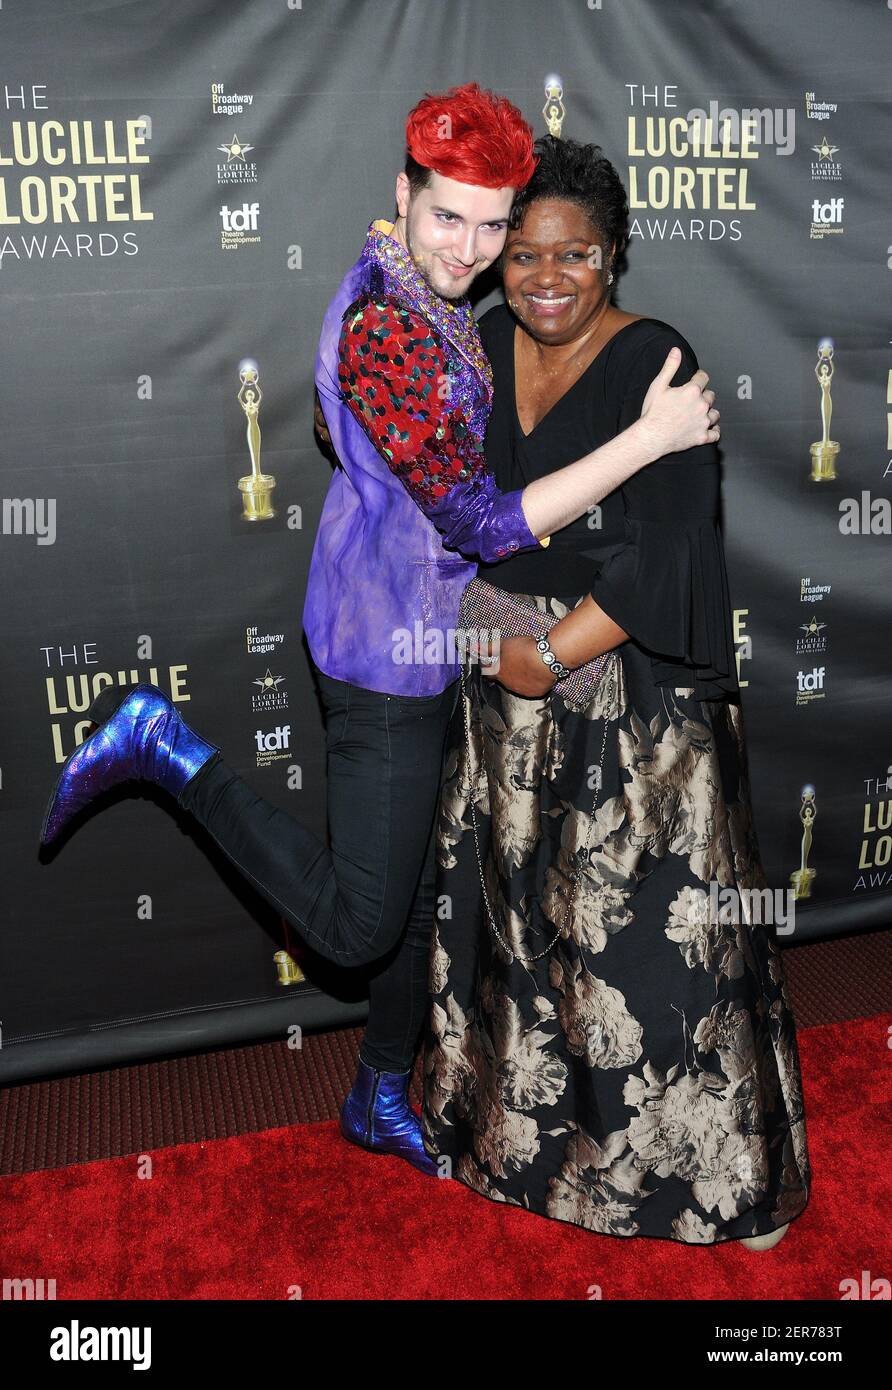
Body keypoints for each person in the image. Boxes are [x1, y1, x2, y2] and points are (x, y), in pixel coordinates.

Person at [38, 89, 717, 1180]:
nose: (474, 249)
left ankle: (376, 1091)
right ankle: (165, 747)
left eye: (493, 224)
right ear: (404, 196)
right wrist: (649, 437)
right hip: (384, 649)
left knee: (406, 897)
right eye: (449, 217)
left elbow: (388, 435)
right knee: (360, 927)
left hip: (429, 621)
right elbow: (482, 518)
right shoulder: (385, 325)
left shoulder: (407, 284)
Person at [421, 135, 811, 1250]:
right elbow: (440, 498)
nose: (545, 276)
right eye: (523, 254)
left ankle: (719, 1185)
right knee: (517, 930)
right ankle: (521, 1152)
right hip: (502, 685)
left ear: (614, 257)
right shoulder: (481, 343)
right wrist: (495, 643)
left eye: (574, 254)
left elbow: (674, 550)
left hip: (632, 702)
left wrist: (554, 654)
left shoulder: (658, 361)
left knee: (651, 949)